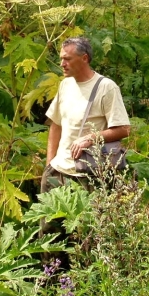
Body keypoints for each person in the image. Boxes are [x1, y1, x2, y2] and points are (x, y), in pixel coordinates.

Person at [41, 37, 130, 192]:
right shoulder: (65, 84)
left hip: (88, 176)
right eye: (61, 59)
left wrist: (89, 138)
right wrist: (49, 167)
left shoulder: (106, 87)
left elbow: (124, 129)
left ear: (84, 58)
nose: (62, 64)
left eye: (67, 59)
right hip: (57, 173)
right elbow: (56, 125)